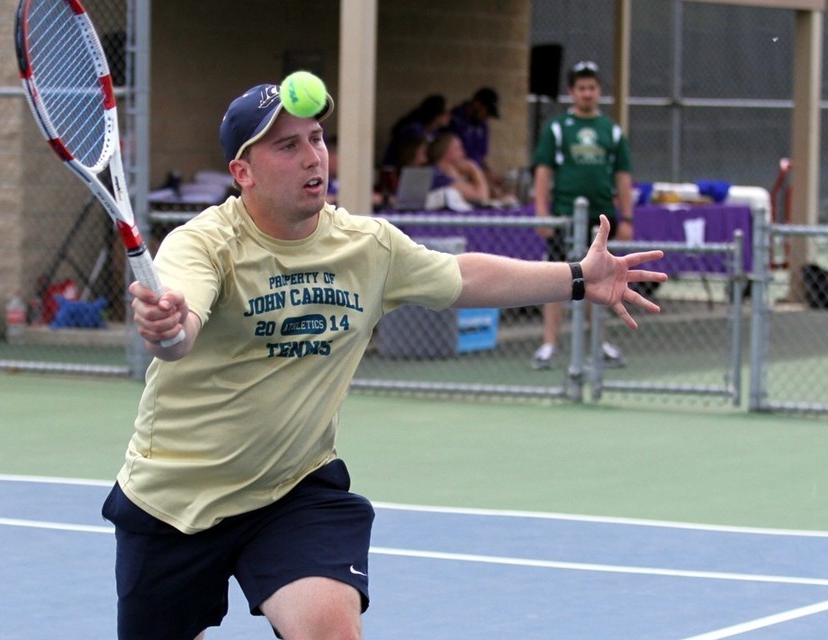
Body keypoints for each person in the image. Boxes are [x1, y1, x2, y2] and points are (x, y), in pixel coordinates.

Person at [108, 80, 665, 639]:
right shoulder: (203, 243)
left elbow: (462, 275)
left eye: (316, 138)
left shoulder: (366, 245)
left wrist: (576, 278)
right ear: (243, 172)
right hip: (174, 503)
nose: (313, 157)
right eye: (286, 146)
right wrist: (169, 328)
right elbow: (180, 331)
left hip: (290, 491)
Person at [531, 60, 635, 370]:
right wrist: (541, 213)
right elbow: (543, 170)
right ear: (571, 92)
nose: (587, 93)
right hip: (565, 216)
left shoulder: (612, 132)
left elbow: (623, 175)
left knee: (599, 280)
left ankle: (598, 343)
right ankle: (549, 344)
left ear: (598, 91)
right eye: (581, 88)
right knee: (555, 279)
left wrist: (627, 217)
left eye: (592, 88)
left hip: (601, 219)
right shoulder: (557, 128)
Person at [427, 130, 490, 204]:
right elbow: (481, 197)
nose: (463, 153)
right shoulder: (436, 175)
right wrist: (474, 169)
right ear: (446, 152)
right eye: (458, 148)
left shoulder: (446, 173)